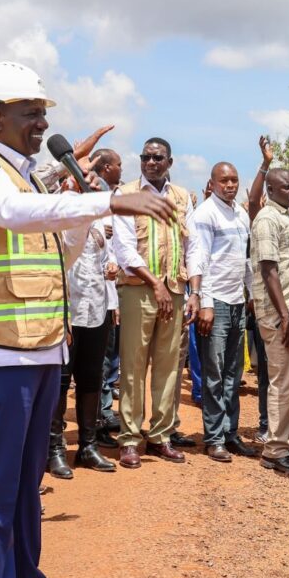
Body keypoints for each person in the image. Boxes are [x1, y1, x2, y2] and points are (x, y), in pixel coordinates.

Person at [0, 60, 175, 578]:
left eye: (43, 112)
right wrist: (105, 202)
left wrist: (79, 217)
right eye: (30, 112)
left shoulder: (32, 181)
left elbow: (57, 249)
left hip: (43, 346)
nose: (42, 122)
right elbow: (15, 218)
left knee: (24, 484)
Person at [110, 137, 193, 466]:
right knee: (132, 366)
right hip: (138, 288)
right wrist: (154, 283)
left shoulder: (182, 196)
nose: (151, 162)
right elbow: (124, 248)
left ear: (169, 162)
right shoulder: (126, 194)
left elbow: (192, 244)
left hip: (174, 290)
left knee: (168, 366)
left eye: (158, 158)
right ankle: (129, 437)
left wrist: (193, 292)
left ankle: (161, 435)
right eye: (145, 157)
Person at [187, 161, 256, 463]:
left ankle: (231, 432)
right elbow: (199, 258)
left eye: (234, 180)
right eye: (224, 180)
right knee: (213, 374)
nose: (230, 185)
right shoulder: (205, 214)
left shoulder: (240, 213)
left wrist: (251, 293)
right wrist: (203, 302)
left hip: (237, 301)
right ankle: (214, 437)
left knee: (233, 372)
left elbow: (246, 259)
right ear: (212, 183)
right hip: (215, 304)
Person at [47, 188, 117, 477]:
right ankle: (55, 450)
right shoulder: (57, 218)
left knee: (91, 379)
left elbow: (103, 259)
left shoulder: (98, 222)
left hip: (97, 308)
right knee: (61, 382)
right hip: (67, 312)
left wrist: (110, 266)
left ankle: (88, 447)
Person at [250, 159, 289, 476]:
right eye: (287, 186)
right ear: (270, 189)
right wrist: (285, 317)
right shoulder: (267, 219)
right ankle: (274, 449)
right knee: (282, 381)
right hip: (278, 312)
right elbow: (268, 269)